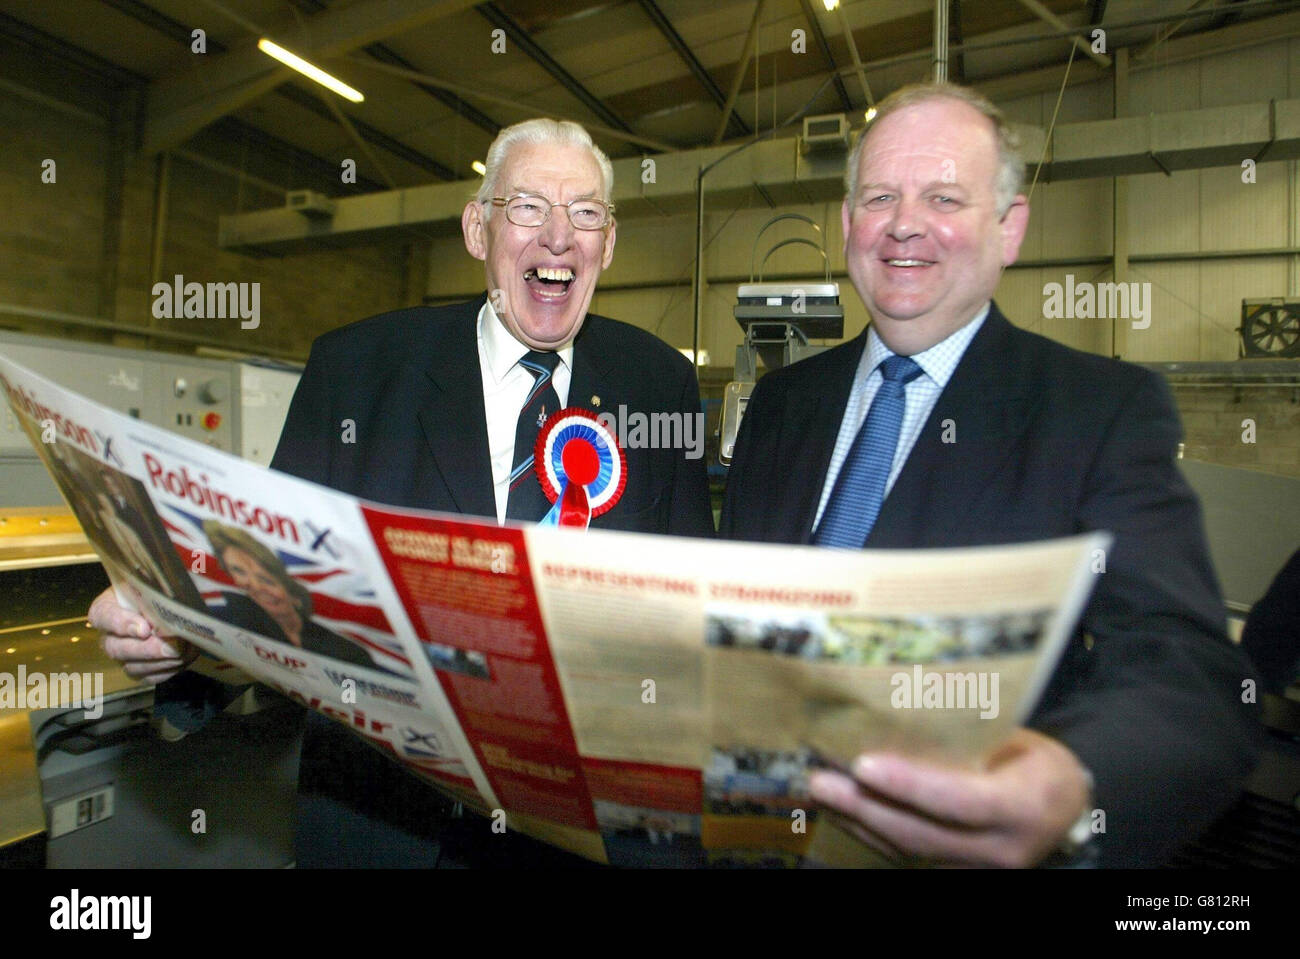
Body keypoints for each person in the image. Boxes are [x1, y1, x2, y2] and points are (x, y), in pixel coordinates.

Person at [92, 118, 714, 867]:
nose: (557, 235)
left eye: (585, 212)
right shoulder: (356, 370)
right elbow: (267, 579)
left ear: (607, 244)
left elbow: (694, 610)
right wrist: (181, 632)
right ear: (477, 228)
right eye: (525, 206)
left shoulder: (660, 383)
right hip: (388, 827)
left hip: (591, 836)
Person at [720, 82, 1262, 867]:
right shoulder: (780, 405)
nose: (905, 224)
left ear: (1009, 229)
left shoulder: (1097, 410)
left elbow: (1189, 668)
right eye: (880, 197)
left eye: (944, 197)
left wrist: (1071, 781)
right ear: (847, 225)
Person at [201, 520, 388, 673]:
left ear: (295, 595)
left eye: (266, 580)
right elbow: (214, 654)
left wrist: (347, 702)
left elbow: (353, 698)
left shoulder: (345, 652)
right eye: (238, 571)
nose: (256, 587)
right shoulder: (240, 620)